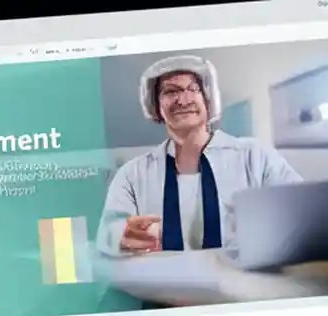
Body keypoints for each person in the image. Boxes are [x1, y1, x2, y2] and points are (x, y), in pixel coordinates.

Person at [97, 55, 302, 256]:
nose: (183, 100)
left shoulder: (256, 157)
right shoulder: (132, 175)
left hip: (243, 276)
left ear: (208, 99)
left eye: (193, 89)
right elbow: (108, 232)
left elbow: (302, 209)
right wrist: (120, 236)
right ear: (156, 105)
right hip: (160, 278)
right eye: (170, 91)